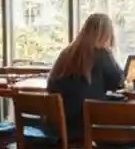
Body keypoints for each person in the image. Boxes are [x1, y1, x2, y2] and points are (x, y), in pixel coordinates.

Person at [47, 13, 124, 142]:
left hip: (56, 128)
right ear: (107, 35)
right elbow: (120, 82)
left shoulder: (66, 53)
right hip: (82, 128)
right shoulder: (102, 55)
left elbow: (51, 86)